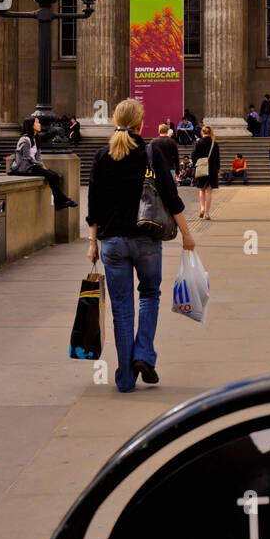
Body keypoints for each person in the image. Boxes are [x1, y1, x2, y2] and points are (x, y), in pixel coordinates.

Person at [86, 97, 194, 392]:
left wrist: (92, 242)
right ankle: (144, 353)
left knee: (121, 309)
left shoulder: (101, 156)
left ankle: (124, 378)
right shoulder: (150, 152)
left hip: (112, 242)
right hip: (145, 238)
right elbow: (171, 198)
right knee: (149, 294)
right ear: (140, 123)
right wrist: (187, 234)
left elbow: (93, 204)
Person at [10, 118, 78, 209]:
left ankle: (59, 202)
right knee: (50, 175)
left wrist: (42, 165)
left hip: (33, 166)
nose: (39, 124)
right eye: (37, 123)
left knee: (55, 176)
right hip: (25, 167)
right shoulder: (25, 140)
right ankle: (63, 200)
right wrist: (41, 165)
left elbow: (38, 156)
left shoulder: (36, 138)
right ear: (32, 126)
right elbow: (27, 158)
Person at [192, 125, 220, 219]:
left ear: (202, 132)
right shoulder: (214, 143)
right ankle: (207, 213)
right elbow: (217, 158)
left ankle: (202, 209)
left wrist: (197, 163)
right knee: (209, 191)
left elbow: (193, 155)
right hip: (212, 168)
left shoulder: (198, 143)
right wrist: (218, 169)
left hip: (201, 168)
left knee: (201, 189)